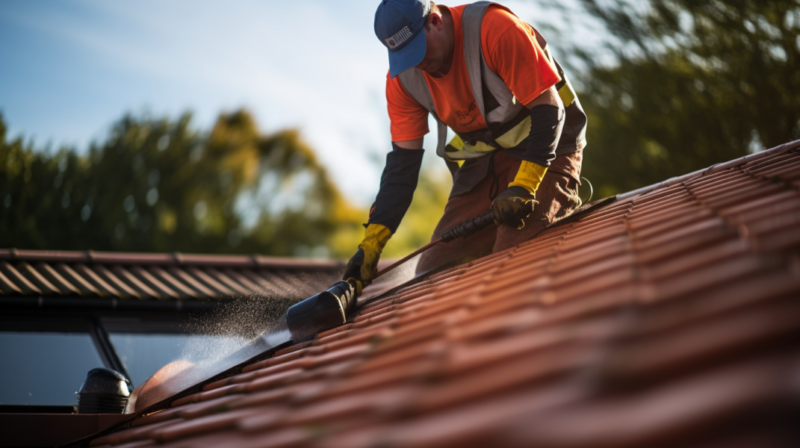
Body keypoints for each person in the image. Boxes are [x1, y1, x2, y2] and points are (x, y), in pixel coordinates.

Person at [344, 0, 587, 294]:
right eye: (406, 56)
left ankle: (557, 203)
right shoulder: (402, 81)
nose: (418, 63)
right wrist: (371, 245)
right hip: (487, 161)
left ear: (435, 21)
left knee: (513, 256)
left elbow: (550, 110)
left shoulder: (495, 29)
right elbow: (401, 167)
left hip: (549, 148)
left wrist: (523, 186)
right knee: (431, 272)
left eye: (419, 49)